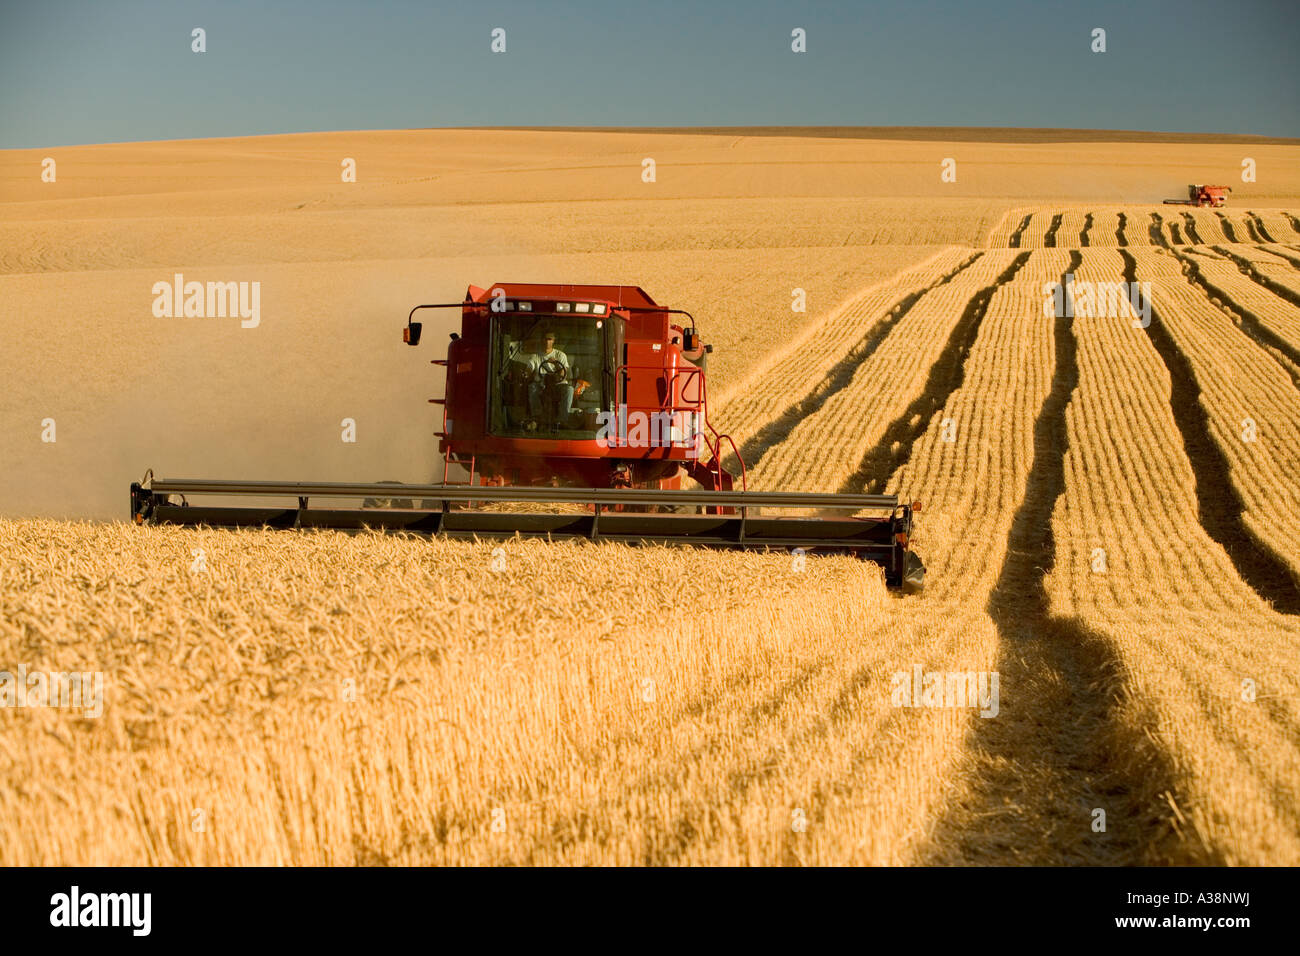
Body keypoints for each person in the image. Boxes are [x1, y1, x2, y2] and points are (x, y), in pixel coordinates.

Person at [527, 332, 573, 430]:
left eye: (549, 339)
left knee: (569, 390)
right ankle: (536, 418)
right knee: (532, 387)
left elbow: (563, 374)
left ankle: (562, 420)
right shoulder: (535, 356)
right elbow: (529, 368)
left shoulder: (560, 355)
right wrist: (526, 373)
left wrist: (556, 364)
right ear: (541, 340)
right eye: (545, 339)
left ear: (553, 340)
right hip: (542, 385)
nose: (547, 341)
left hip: (558, 385)